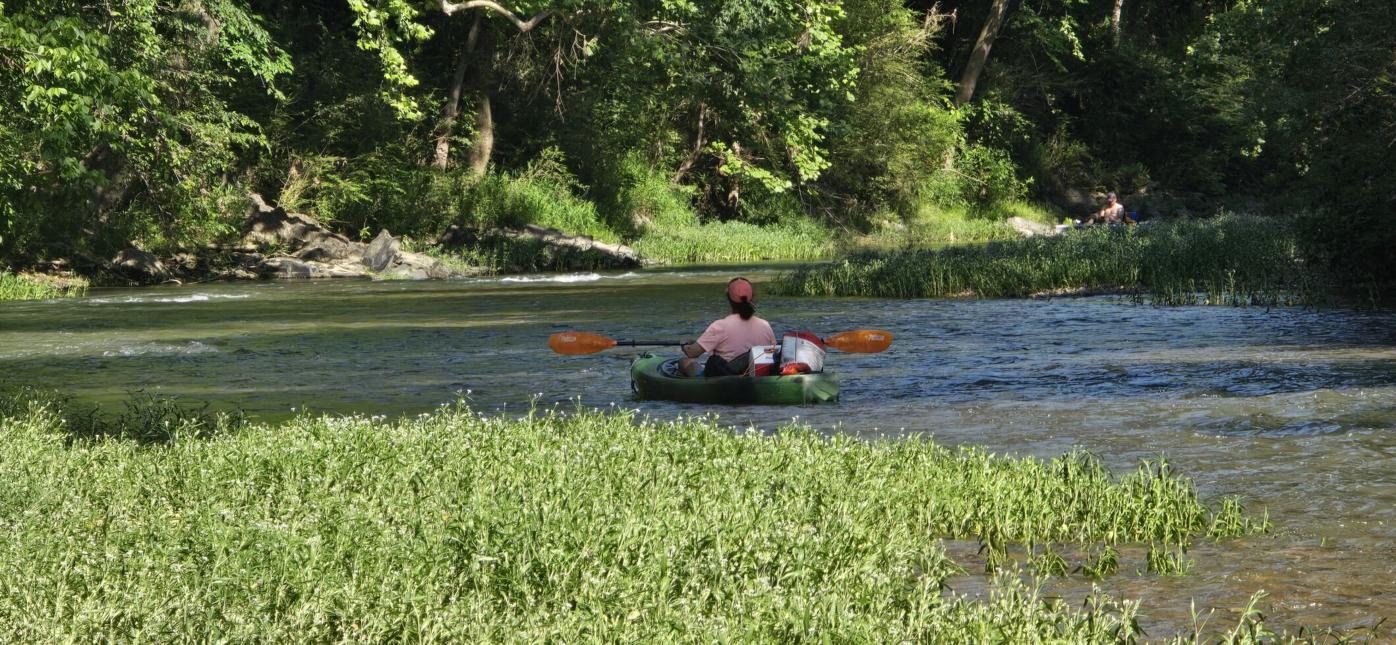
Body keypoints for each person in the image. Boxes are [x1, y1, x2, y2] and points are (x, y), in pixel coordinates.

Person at [679, 277, 776, 377]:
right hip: (755, 375)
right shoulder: (765, 325)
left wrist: (684, 344)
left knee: (684, 361)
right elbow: (773, 352)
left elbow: (692, 353)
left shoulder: (719, 326)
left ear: (729, 299)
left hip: (724, 378)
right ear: (752, 297)